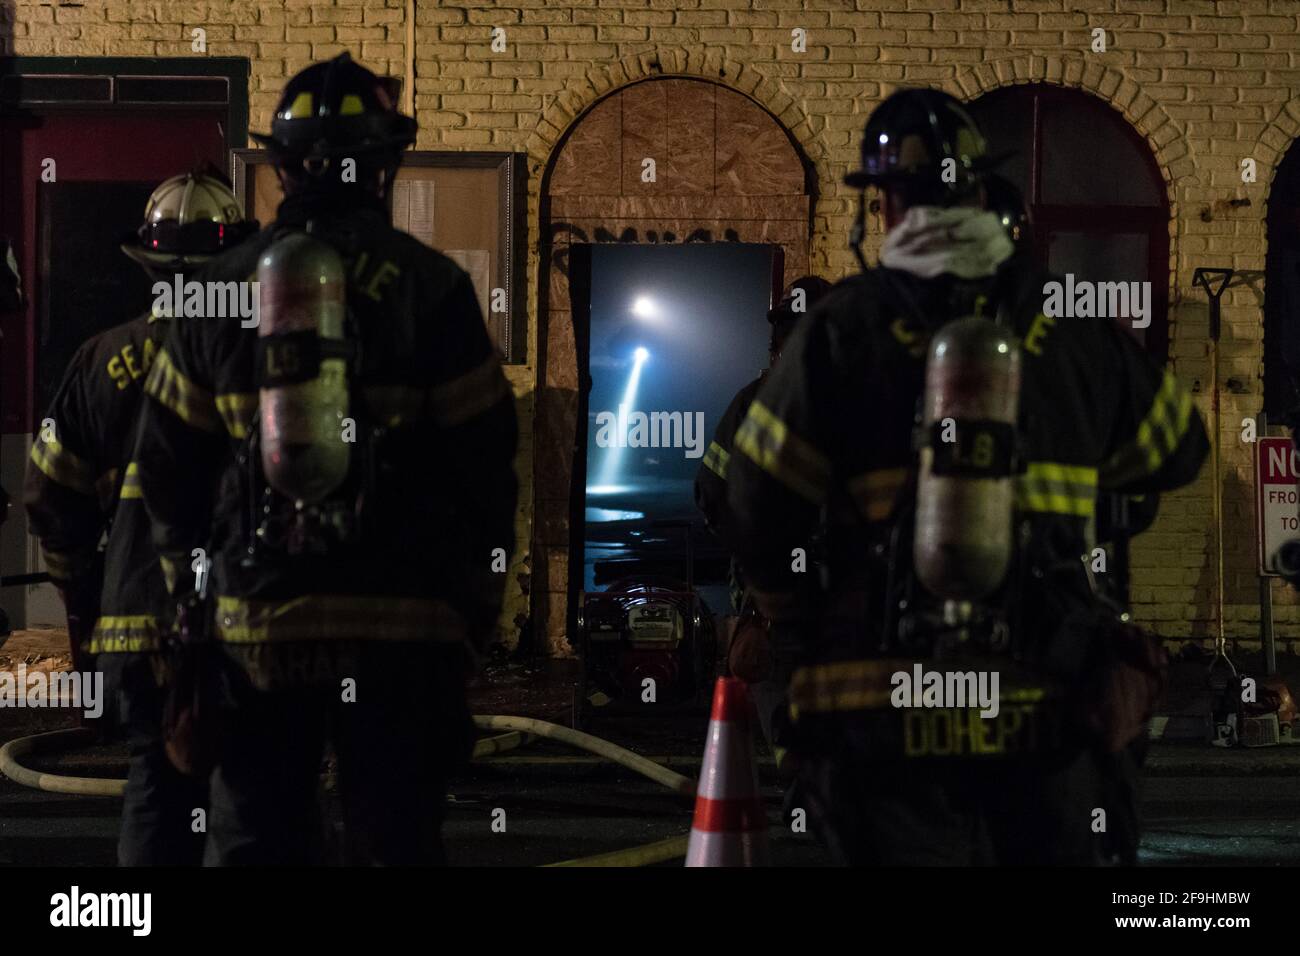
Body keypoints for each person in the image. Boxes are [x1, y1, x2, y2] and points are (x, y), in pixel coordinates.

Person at [723, 88, 1208, 865]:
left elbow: (751, 508)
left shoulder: (838, 335)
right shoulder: (1073, 342)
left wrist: (798, 614)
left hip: (879, 725)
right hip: (1047, 724)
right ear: (981, 193)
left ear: (882, 207)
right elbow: (1179, 452)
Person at [133, 53, 518, 865]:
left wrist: (194, 606)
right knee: (395, 841)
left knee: (255, 842)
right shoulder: (436, 290)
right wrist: (469, 619)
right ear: (385, 164)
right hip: (401, 637)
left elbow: (168, 475)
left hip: (257, 631)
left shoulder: (216, 294)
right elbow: (486, 474)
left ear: (279, 164)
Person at [24, 170, 256, 864]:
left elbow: (47, 495)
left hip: (132, 633)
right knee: (249, 801)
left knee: (156, 788)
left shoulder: (99, 360)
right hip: (243, 631)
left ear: (149, 265)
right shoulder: (263, 357)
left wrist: (84, 607)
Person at [695, 276, 830, 772]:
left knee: (777, 688)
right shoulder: (870, 401)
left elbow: (710, 492)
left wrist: (749, 551)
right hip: (851, 593)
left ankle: (803, 785)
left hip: (771, 595)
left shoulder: (753, 402)